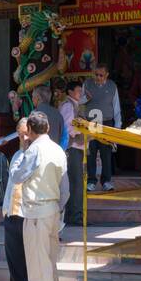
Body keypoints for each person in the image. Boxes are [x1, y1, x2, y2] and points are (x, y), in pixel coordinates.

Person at [16, 109, 69, 281]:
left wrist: (23, 148)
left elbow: (17, 176)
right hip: (53, 210)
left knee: (38, 268)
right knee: (49, 262)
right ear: (47, 127)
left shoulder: (34, 150)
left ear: (29, 129)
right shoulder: (58, 150)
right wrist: (57, 207)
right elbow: (66, 189)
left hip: (37, 211)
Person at [1, 117, 34, 281]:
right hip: (12, 217)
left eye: (27, 135)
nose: (25, 139)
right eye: (21, 136)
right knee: (16, 268)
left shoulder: (40, 154)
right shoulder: (16, 155)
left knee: (32, 268)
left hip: (30, 217)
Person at [84, 64, 122, 191]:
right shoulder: (87, 84)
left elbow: (116, 108)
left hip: (106, 122)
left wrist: (117, 128)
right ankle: (91, 181)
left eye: (101, 75)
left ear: (106, 75)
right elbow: (78, 101)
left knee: (106, 153)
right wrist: (85, 98)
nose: (98, 77)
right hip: (91, 123)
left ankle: (106, 181)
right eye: (96, 74)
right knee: (91, 153)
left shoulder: (112, 86)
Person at [60, 79, 86, 224]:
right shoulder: (68, 106)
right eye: (78, 90)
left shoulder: (75, 106)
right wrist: (84, 129)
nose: (80, 93)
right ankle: (75, 217)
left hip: (77, 148)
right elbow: (67, 127)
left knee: (76, 182)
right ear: (70, 92)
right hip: (73, 148)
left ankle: (75, 215)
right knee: (76, 183)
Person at [33, 82, 65, 150]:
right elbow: (63, 136)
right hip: (55, 152)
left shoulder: (35, 114)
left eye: (33, 96)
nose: (32, 99)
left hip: (39, 152)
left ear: (38, 98)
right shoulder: (58, 114)